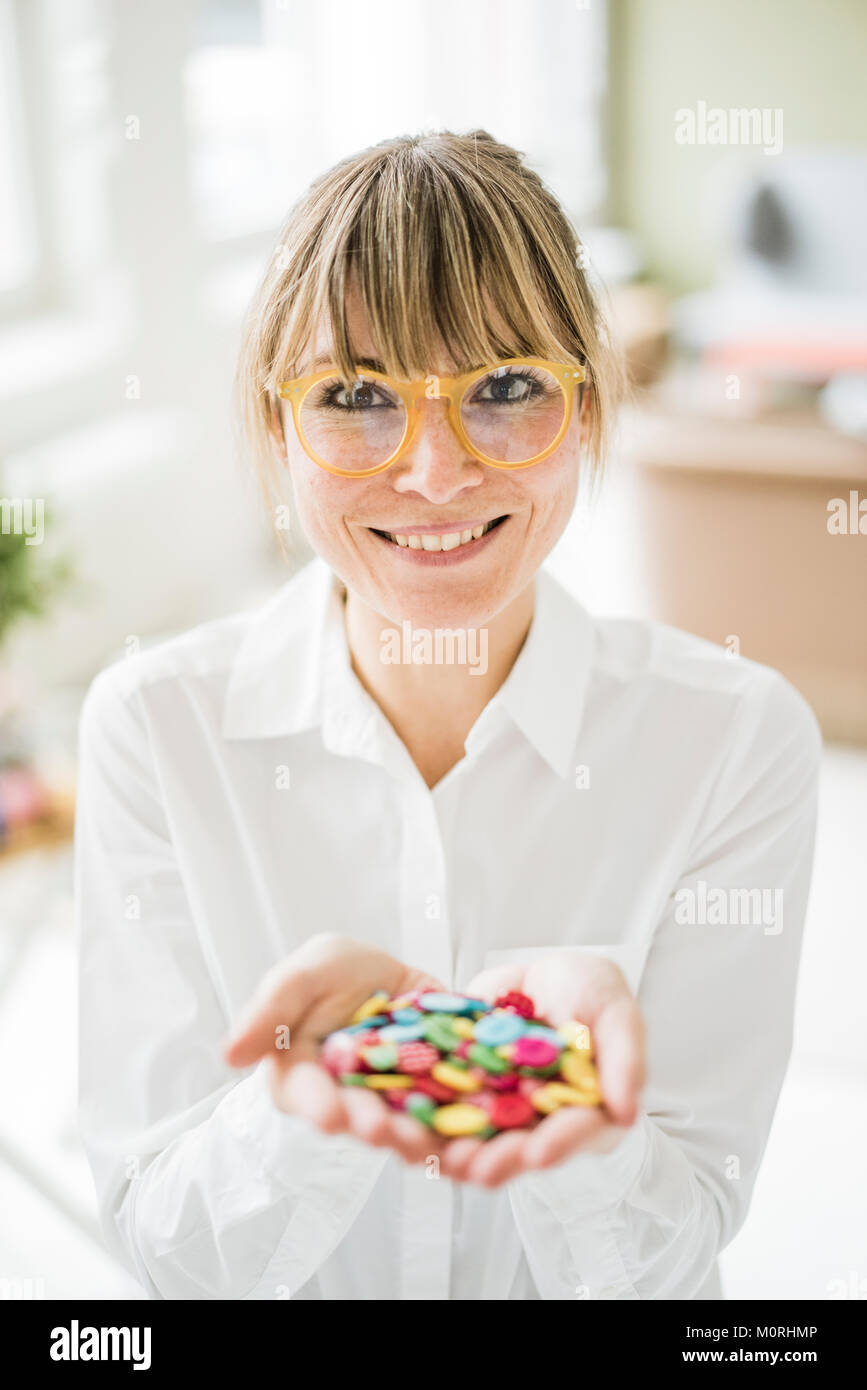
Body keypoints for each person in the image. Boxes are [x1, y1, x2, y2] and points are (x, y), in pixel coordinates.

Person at [76, 130, 821, 1300]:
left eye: (508, 387)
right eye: (359, 396)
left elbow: (679, 1256)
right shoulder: (153, 728)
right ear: (280, 430)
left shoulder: (738, 740)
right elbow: (164, 1247)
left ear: (586, 404)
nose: (434, 472)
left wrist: (553, 1090)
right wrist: (342, 1078)